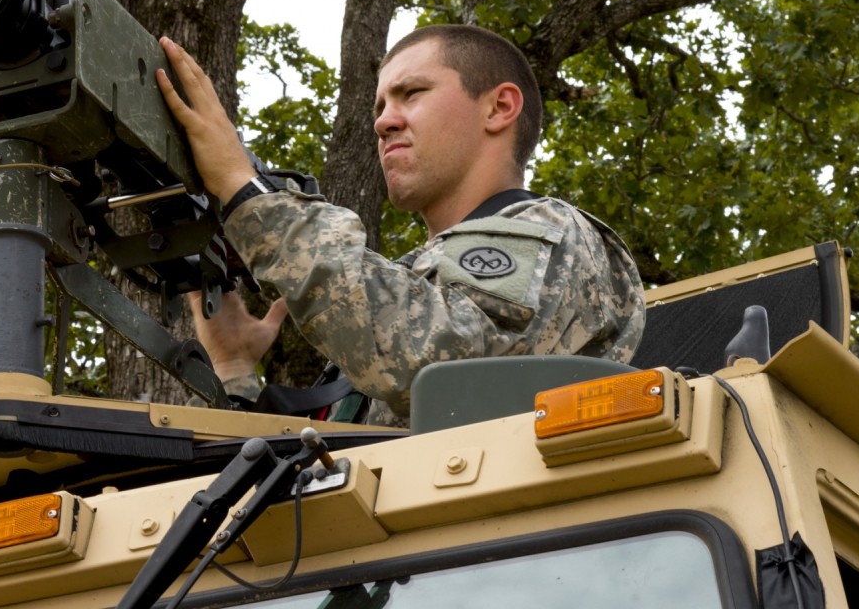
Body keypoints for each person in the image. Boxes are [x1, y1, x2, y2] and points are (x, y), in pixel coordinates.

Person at [155, 25, 645, 426]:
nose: (383, 122)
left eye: (411, 94)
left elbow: (434, 363)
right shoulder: (406, 294)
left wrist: (246, 192)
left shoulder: (554, 231)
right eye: (380, 106)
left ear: (499, 108)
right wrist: (235, 368)